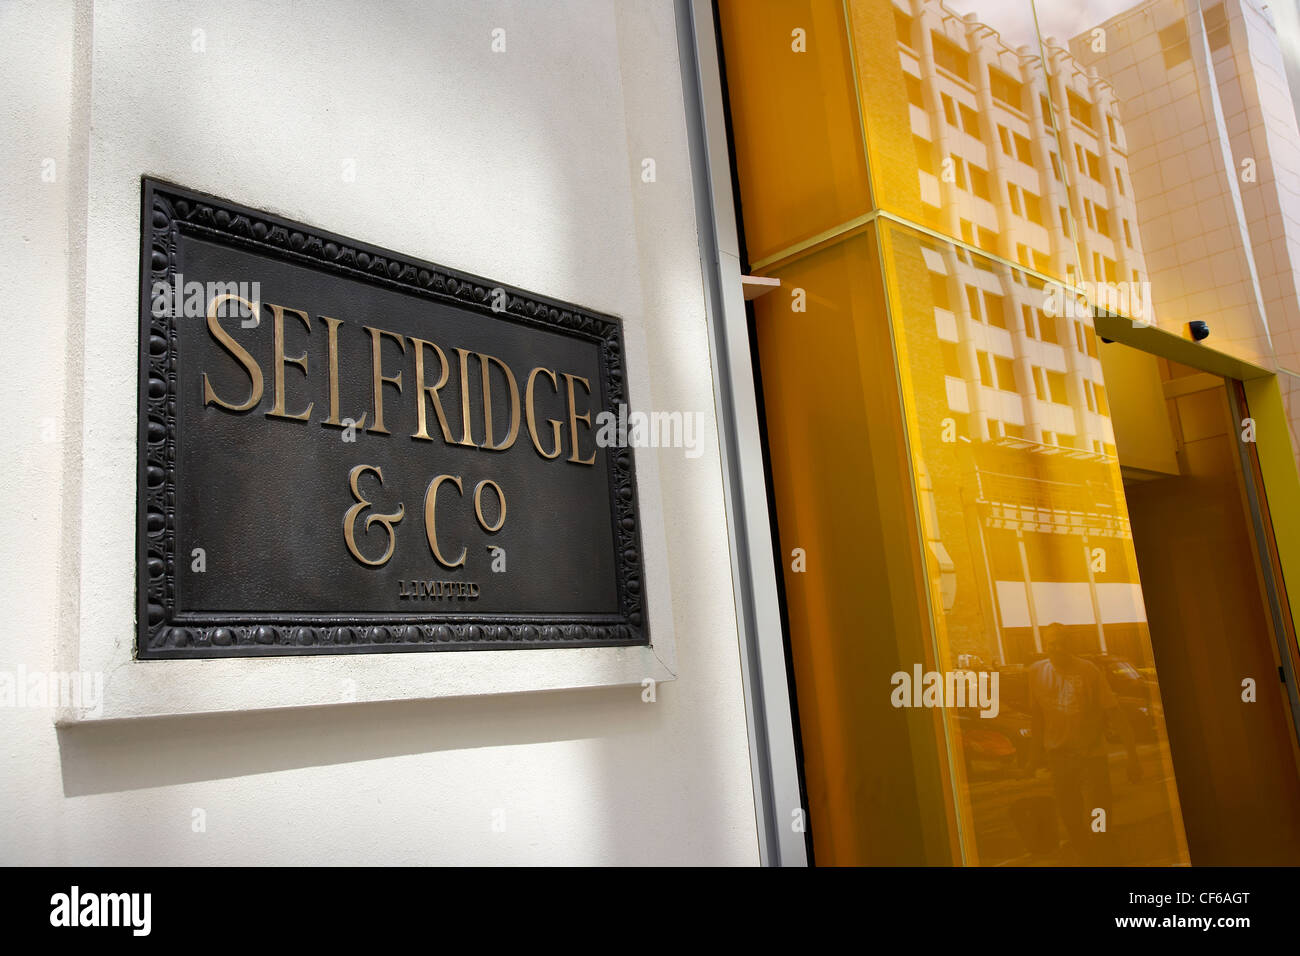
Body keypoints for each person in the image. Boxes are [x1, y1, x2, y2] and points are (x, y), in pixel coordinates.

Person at [1027, 624, 1141, 863]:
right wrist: (1033, 757)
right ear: (1044, 645)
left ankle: (1105, 852)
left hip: (1091, 757)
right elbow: (1037, 717)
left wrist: (1133, 757)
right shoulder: (1036, 672)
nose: (1056, 649)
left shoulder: (1089, 671)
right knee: (1070, 817)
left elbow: (1115, 713)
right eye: (1051, 644)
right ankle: (1088, 856)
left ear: (1070, 644)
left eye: (1061, 643)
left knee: (1098, 814)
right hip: (1059, 758)